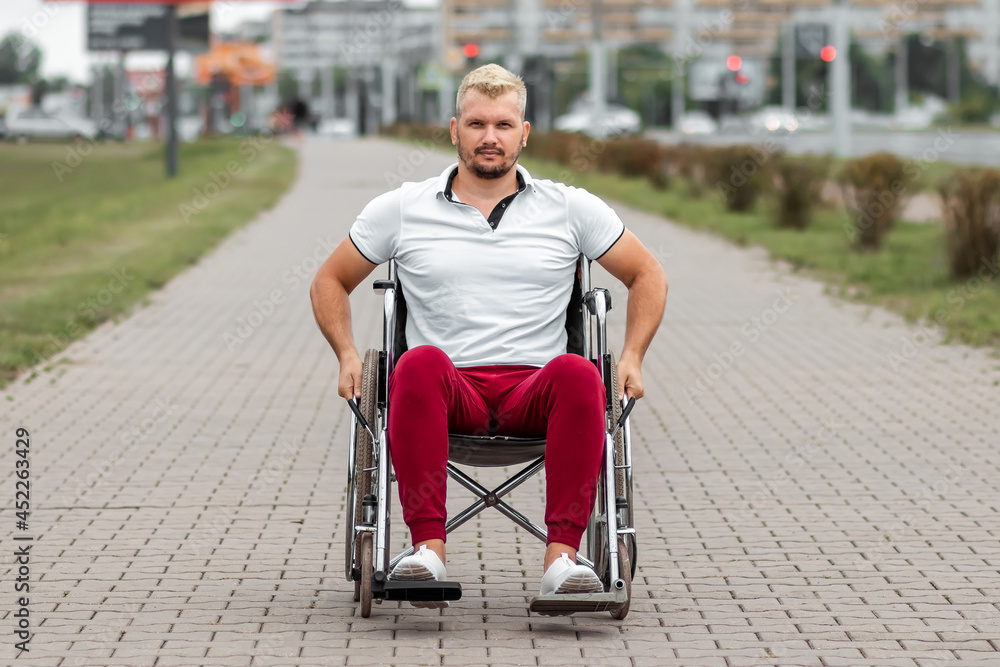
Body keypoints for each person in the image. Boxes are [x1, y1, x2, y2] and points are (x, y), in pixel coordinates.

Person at [310, 64, 667, 608]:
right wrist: (346, 353)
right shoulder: (403, 208)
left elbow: (648, 274)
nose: (490, 137)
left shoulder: (569, 207)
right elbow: (329, 281)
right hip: (447, 391)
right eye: (477, 124)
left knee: (580, 371)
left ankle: (563, 563)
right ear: (455, 129)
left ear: (524, 134)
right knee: (417, 362)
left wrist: (634, 356)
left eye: (504, 125)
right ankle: (427, 554)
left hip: (536, 392)